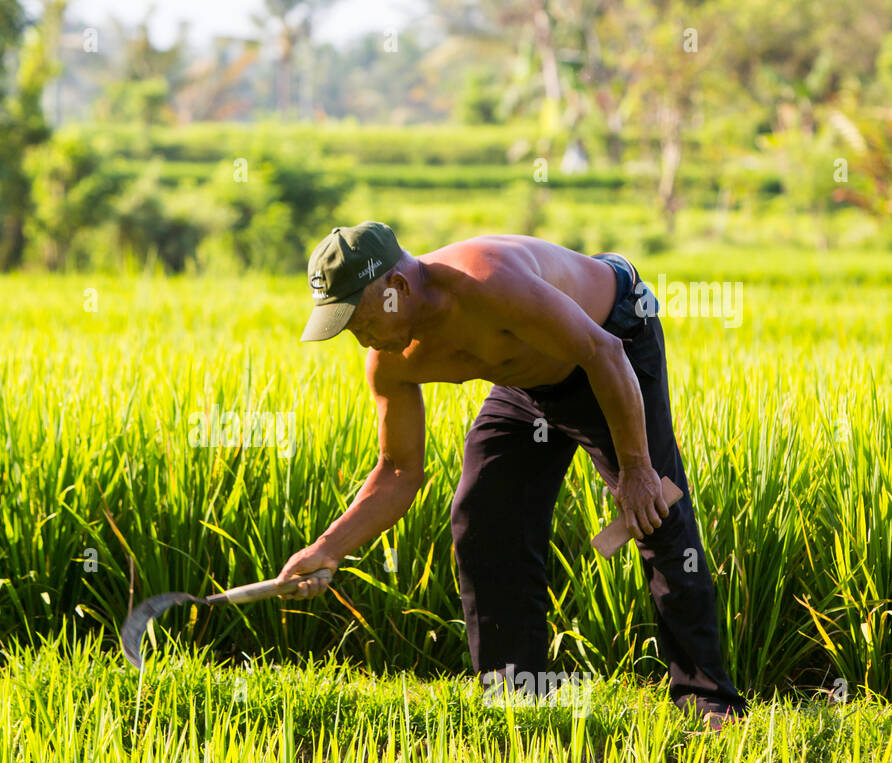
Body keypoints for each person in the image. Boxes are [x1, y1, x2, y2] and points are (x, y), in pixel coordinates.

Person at [277, 221, 748, 728]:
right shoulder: (390, 363)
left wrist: (636, 469)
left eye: (358, 321)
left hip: (613, 339)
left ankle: (708, 701)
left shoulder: (486, 281)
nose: (358, 338)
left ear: (396, 289)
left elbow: (602, 352)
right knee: (483, 515)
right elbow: (397, 471)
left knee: (656, 510)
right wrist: (328, 549)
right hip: (529, 381)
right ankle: (516, 699)